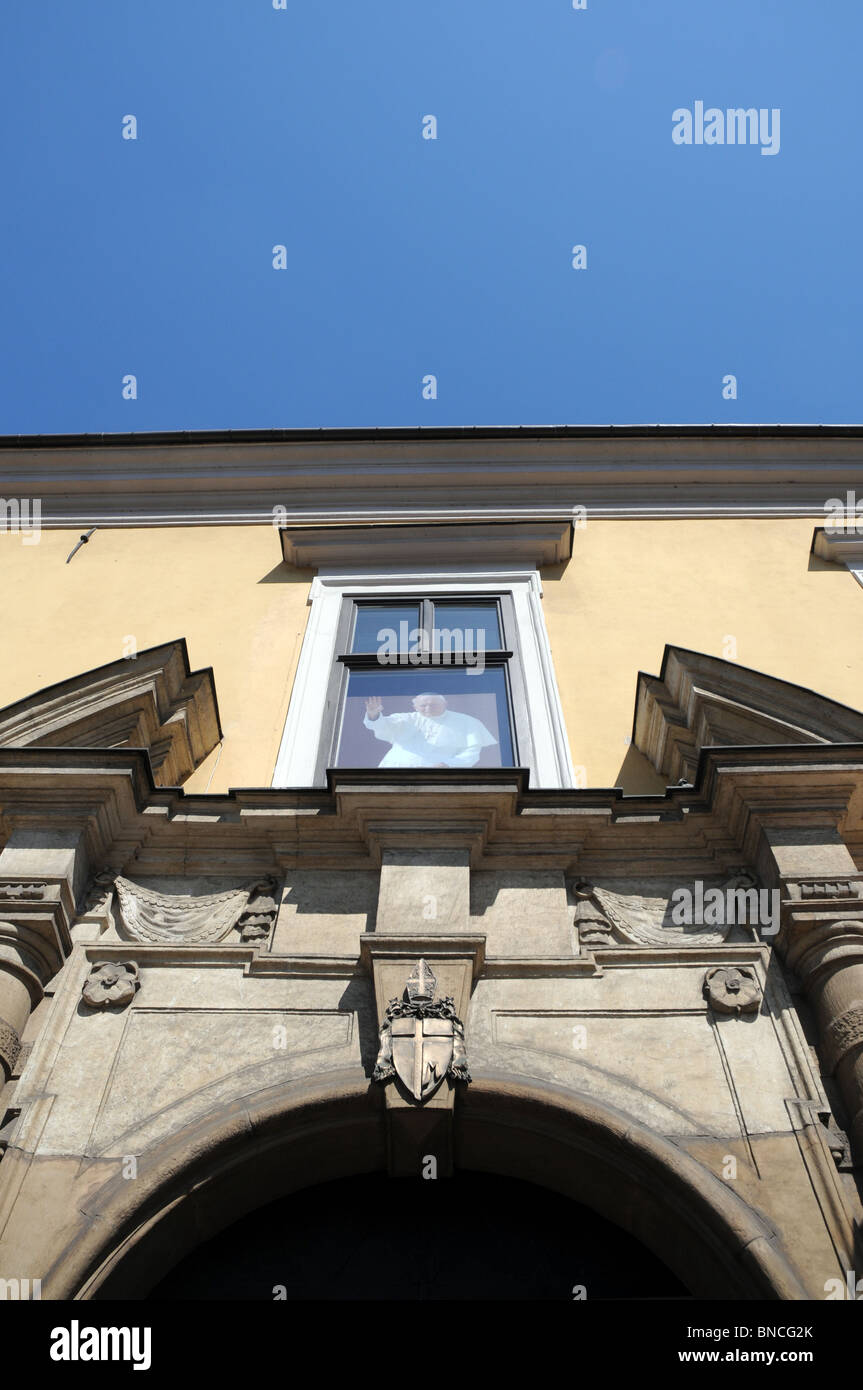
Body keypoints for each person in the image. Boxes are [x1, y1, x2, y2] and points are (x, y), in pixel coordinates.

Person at [362, 692, 498, 768]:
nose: (428, 708)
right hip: (397, 770)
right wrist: (374, 715)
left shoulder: (466, 722)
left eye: (433, 705)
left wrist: (449, 765)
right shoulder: (406, 718)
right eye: (423, 705)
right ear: (415, 706)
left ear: (445, 704)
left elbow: (471, 753)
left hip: (439, 775)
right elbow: (383, 725)